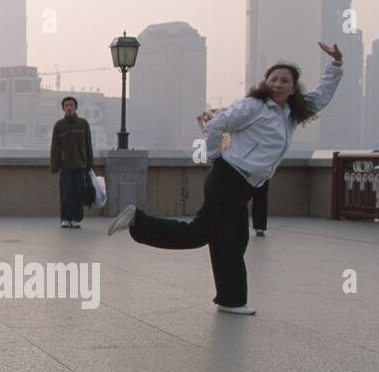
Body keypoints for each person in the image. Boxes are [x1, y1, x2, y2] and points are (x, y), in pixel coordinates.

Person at [108, 42, 344, 314]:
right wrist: (214, 156)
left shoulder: (290, 113)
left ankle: (229, 298)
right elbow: (216, 125)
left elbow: (323, 96)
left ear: (293, 87)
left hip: (238, 182)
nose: (278, 84)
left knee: (219, 237)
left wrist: (336, 64)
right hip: (229, 177)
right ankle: (142, 222)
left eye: (285, 80)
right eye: (273, 79)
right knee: (217, 237)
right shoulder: (255, 106)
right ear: (266, 83)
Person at [49, 96, 95, 229]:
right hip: (65, 166)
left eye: (71, 105)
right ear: (63, 108)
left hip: (81, 165)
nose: (69, 107)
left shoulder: (83, 124)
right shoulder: (59, 126)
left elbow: (88, 145)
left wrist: (90, 164)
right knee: (66, 193)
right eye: (67, 105)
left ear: (75, 108)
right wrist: (55, 166)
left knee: (78, 194)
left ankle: (76, 219)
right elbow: (55, 148)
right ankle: (65, 218)